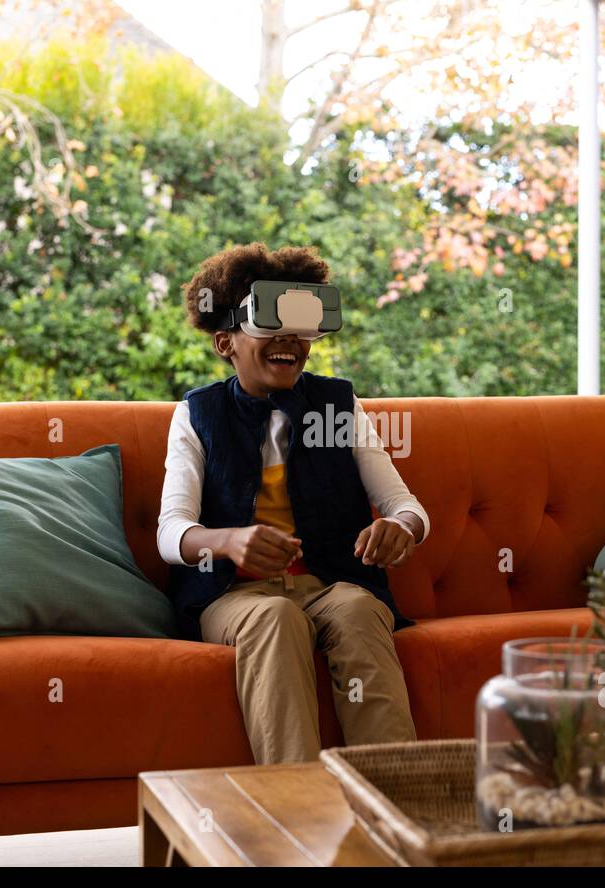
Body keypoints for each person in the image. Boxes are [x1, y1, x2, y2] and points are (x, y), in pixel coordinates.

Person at [157, 242, 427, 764]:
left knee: (359, 609)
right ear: (226, 342)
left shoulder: (338, 405)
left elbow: (404, 504)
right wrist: (228, 541)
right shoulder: (197, 415)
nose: (288, 340)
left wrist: (403, 527)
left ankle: (396, 794)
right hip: (235, 597)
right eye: (268, 322)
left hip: (327, 585)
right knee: (275, 618)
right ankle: (295, 799)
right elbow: (171, 532)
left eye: (299, 325)